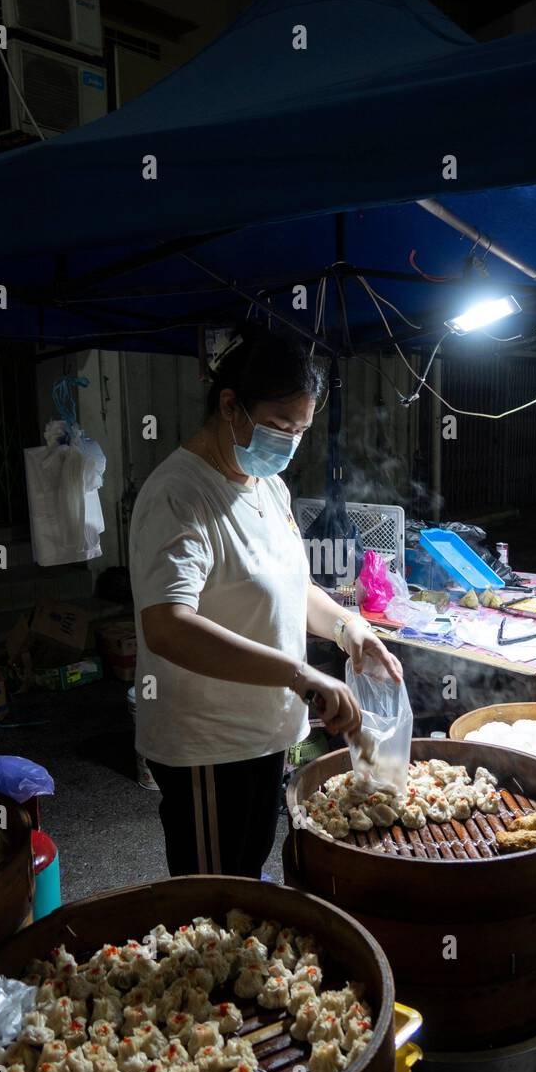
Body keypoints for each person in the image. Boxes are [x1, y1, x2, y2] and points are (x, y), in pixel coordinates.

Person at [129, 321, 402, 878]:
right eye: (279, 425)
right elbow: (167, 625)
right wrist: (300, 674)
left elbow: (291, 587)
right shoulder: (179, 496)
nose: (289, 442)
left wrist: (351, 630)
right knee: (214, 899)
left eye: (300, 429)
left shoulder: (268, 484)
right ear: (230, 406)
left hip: (266, 734)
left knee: (247, 877)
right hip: (208, 744)